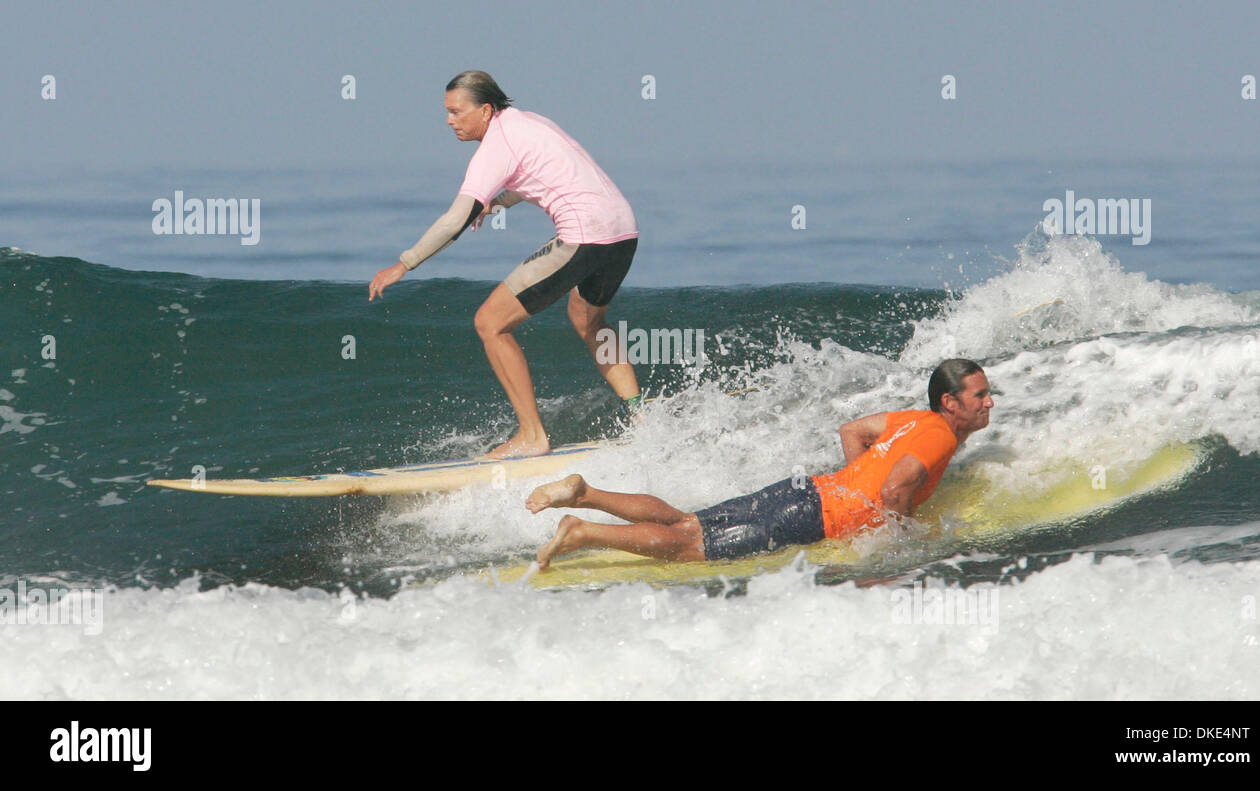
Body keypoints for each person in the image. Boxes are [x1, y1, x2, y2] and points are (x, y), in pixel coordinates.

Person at [369, 70, 641, 459]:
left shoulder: (495, 146)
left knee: (490, 323)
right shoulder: (530, 122)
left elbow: (453, 220)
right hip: (623, 229)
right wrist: (502, 201)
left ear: (484, 110)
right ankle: (640, 415)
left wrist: (403, 264)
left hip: (584, 234)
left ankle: (532, 435)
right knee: (587, 320)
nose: (449, 121)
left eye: (456, 112)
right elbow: (550, 170)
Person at [527, 359, 993, 569]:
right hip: (815, 515)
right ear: (950, 402)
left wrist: (854, 484)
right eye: (980, 395)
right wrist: (901, 535)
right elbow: (896, 490)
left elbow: (854, 431)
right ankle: (583, 532)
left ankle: (584, 493)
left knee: (687, 522)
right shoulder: (941, 437)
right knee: (689, 547)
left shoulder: (914, 419)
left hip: (802, 491)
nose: (990, 402)